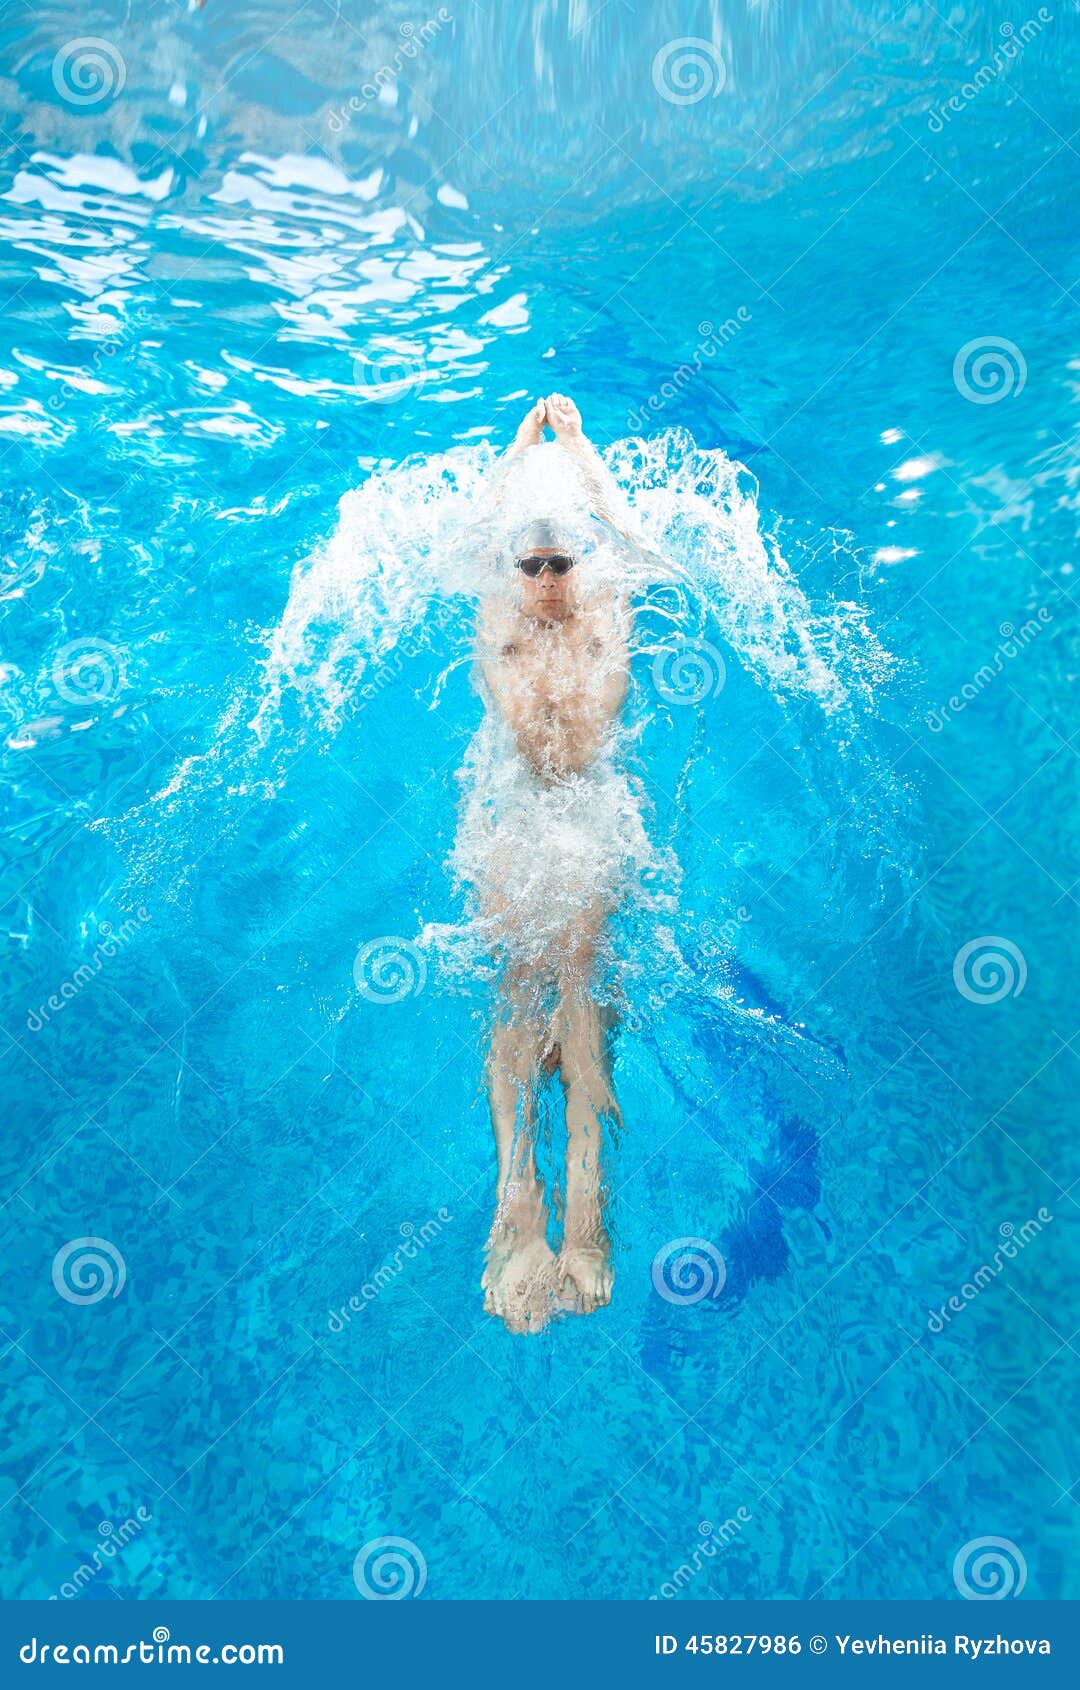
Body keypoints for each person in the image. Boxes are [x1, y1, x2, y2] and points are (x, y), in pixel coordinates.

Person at [474, 393, 635, 1334]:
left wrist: (578, 447)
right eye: (528, 563)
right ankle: (514, 1204)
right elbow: (472, 531)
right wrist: (515, 449)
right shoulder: (492, 600)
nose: (542, 579)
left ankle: (584, 1202)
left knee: (578, 977)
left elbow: (636, 540)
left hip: (591, 814)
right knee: (513, 987)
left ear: (579, 561)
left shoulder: (605, 602)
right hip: (511, 812)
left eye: (556, 562)